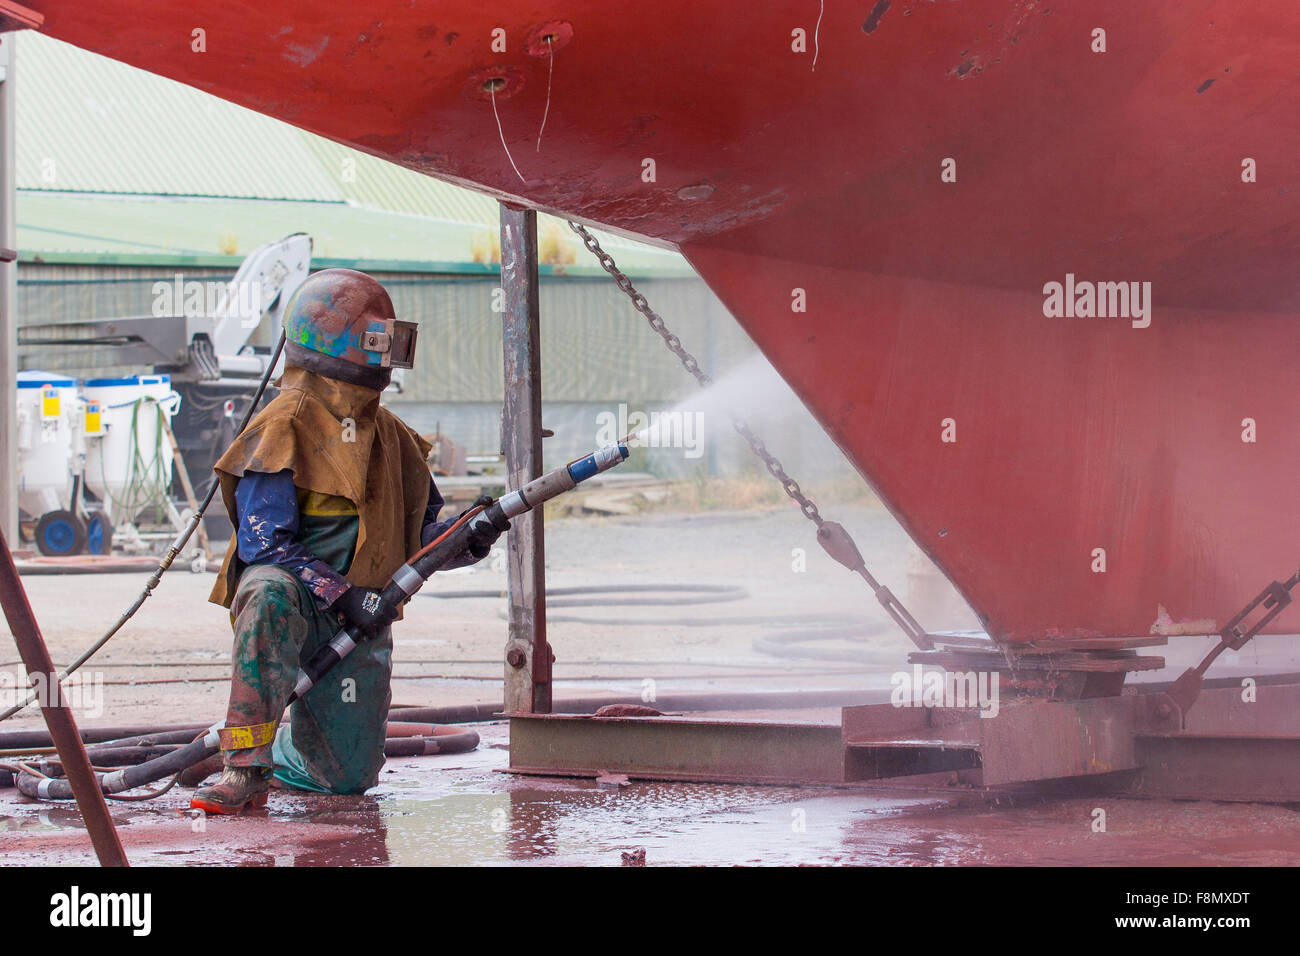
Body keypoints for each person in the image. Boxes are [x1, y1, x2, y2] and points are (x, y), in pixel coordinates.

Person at [190, 268, 507, 814]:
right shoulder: (283, 426)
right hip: (300, 608)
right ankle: (243, 768)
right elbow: (264, 546)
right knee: (266, 593)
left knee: (346, 780)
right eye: (376, 341)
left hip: (364, 618)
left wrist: (467, 536)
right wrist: (342, 595)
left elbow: (420, 540)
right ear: (335, 344)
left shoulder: (393, 437)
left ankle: (281, 751)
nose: (385, 356)